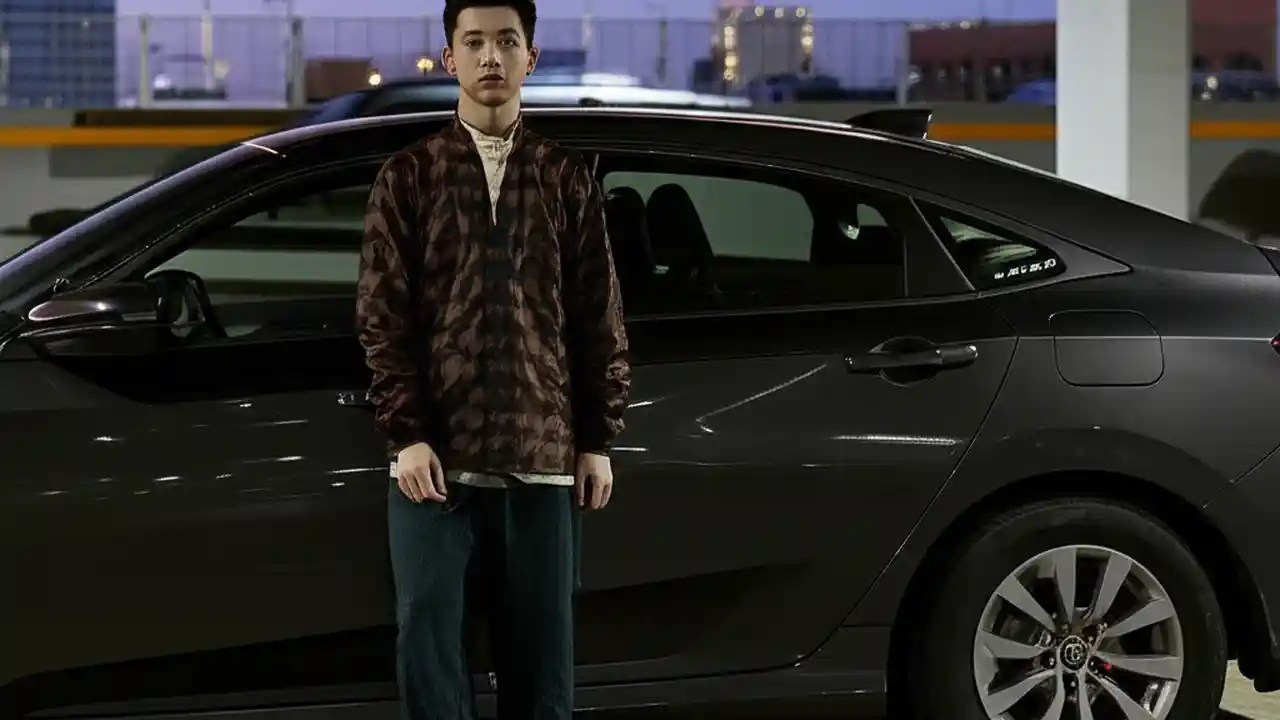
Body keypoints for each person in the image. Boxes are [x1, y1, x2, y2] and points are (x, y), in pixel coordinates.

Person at [354, 0, 631, 718]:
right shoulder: (409, 176)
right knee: (428, 644)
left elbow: (598, 315)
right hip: (433, 464)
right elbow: (382, 315)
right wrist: (405, 433)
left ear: (529, 58)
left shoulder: (566, 177)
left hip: (542, 455)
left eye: (506, 42)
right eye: (473, 42)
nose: (490, 58)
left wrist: (598, 439)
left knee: (542, 662)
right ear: (449, 58)